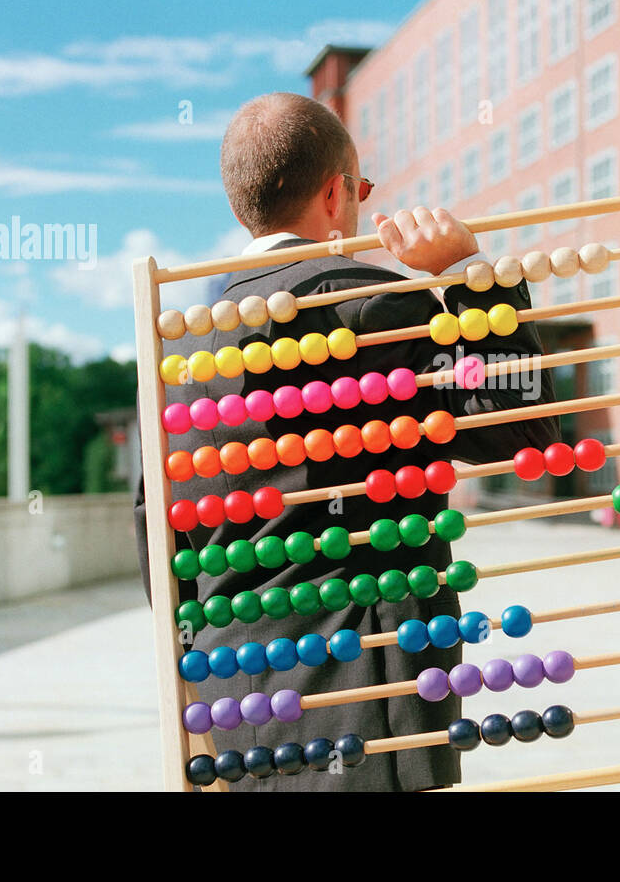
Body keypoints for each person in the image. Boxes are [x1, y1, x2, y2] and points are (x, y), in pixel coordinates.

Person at [133, 92, 558, 791]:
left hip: (234, 709)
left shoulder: (177, 348)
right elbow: (523, 425)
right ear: (337, 191)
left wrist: (197, 680)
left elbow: (158, 538)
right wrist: (470, 278)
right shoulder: (379, 308)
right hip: (370, 698)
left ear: (243, 209)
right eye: (360, 191)